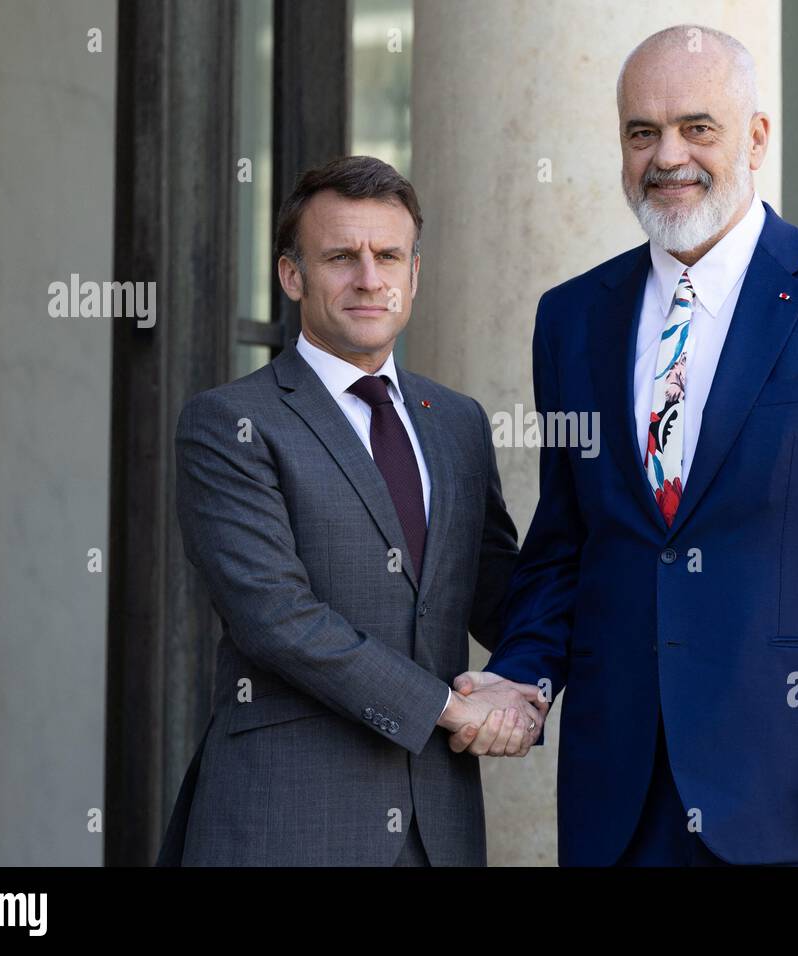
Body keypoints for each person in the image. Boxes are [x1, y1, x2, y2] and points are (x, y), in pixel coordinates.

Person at [452, 25, 798, 866]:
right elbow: (567, 545)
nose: (668, 155)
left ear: (756, 136)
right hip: (622, 795)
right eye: (641, 133)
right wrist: (525, 676)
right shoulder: (573, 316)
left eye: (698, 128)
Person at [156, 156, 538, 867]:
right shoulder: (230, 422)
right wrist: (454, 711)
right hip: (288, 824)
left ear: (413, 274)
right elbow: (278, 619)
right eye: (341, 257)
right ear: (292, 275)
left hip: (440, 830)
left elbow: (498, 592)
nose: (369, 278)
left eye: (388, 255)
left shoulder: (456, 422)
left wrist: (535, 680)